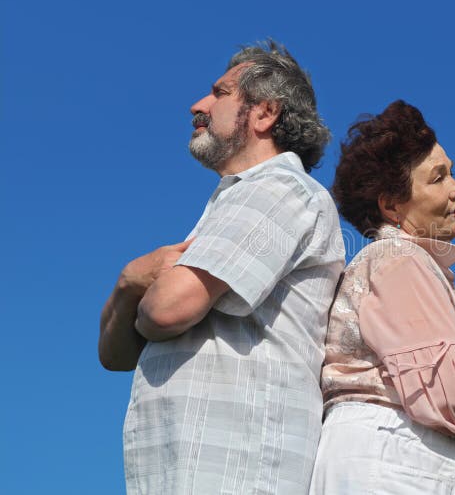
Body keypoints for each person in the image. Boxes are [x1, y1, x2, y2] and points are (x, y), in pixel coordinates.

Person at [98, 40, 344, 494]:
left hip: (236, 466)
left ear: (265, 113)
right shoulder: (236, 200)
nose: (198, 105)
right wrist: (130, 279)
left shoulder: (278, 188)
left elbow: (166, 310)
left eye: (220, 93)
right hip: (201, 465)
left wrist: (145, 294)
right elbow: (114, 356)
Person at [310, 100, 455, 494]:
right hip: (397, 455)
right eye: (438, 178)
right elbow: (446, 390)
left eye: (452, 174)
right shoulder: (400, 259)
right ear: (392, 205)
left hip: (387, 453)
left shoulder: (397, 260)